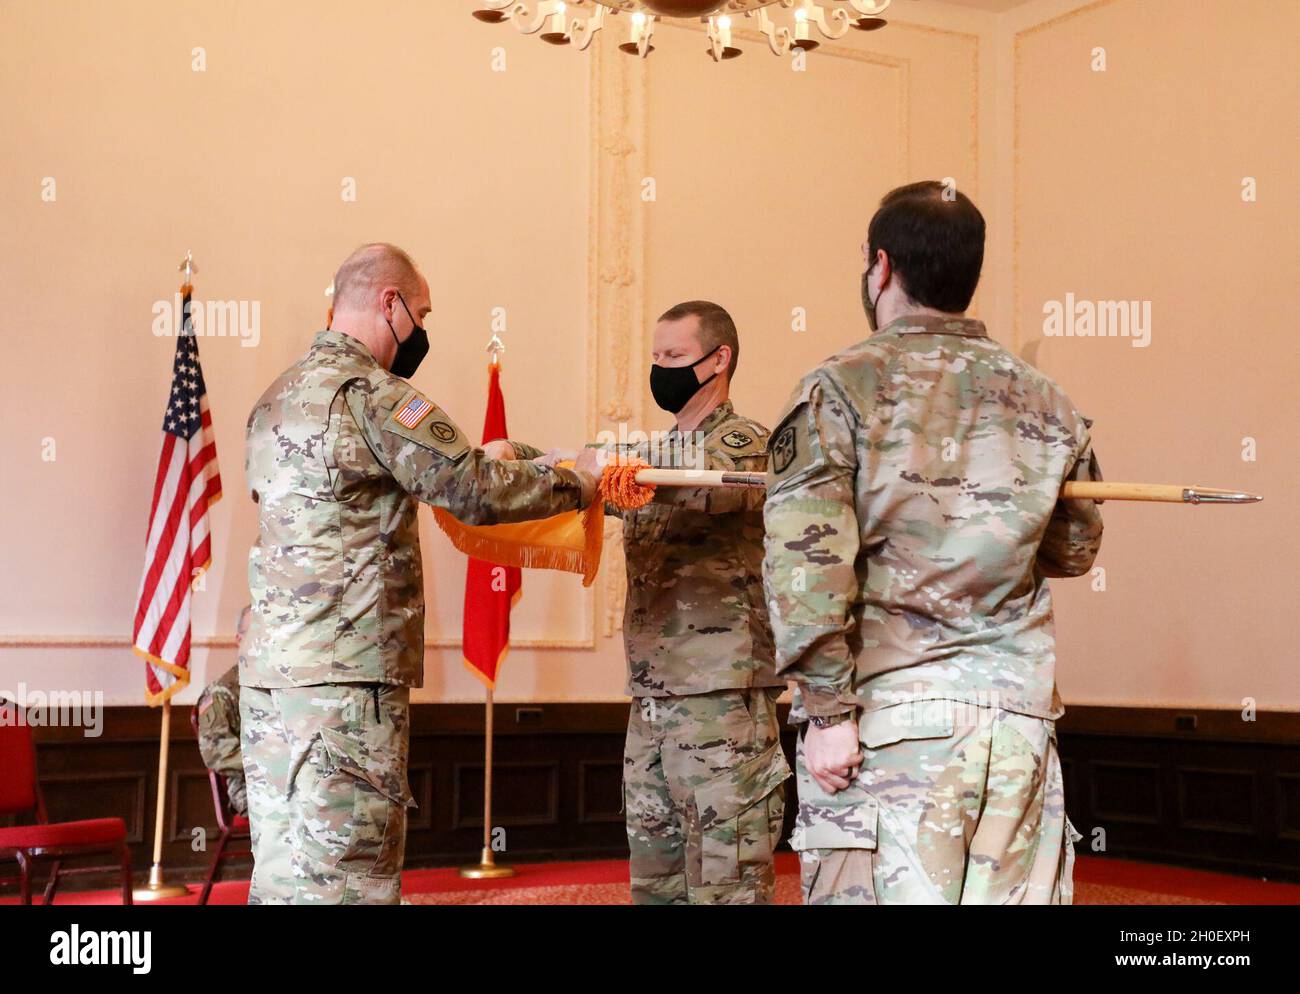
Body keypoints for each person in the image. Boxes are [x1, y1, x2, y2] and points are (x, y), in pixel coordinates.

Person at [763, 182, 1103, 905]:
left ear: (880, 267)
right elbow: (1075, 551)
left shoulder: (839, 388)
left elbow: (806, 565)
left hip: (890, 723)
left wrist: (825, 715)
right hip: (1015, 725)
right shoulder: (1049, 399)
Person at [241, 242, 599, 905]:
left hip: (272, 684)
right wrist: (579, 480)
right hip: (349, 683)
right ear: (390, 303)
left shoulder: (273, 399)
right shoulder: (375, 397)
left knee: (286, 879)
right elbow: (473, 490)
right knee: (352, 880)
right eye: (422, 312)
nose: (423, 329)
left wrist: (481, 457)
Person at [539, 300, 790, 904]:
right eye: (656, 358)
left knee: (727, 887)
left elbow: (708, 483)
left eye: (674, 357)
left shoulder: (747, 444)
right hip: (651, 701)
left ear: (718, 360)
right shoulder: (643, 463)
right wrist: (525, 458)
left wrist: (615, 462)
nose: (661, 370)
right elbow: (595, 485)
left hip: (722, 703)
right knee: (657, 888)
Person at [195, 605, 251, 815]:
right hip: (251, 787)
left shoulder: (285, 686)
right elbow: (218, 753)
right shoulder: (223, 692)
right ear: (239, 639)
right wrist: (273, 763)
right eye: (257, 633)